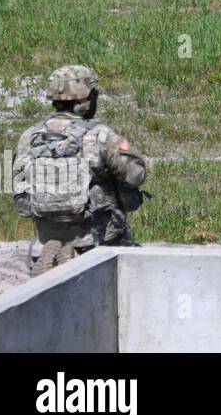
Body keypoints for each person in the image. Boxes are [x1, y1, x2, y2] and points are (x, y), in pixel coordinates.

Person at [12, 65, 148, 276]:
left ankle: (61, 244)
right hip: (96, 230)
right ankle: (81, 248)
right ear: (86, 101)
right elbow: (134, 176)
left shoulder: (29, 137)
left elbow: (19, 183)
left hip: (46, 226)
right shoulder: (100, 136)